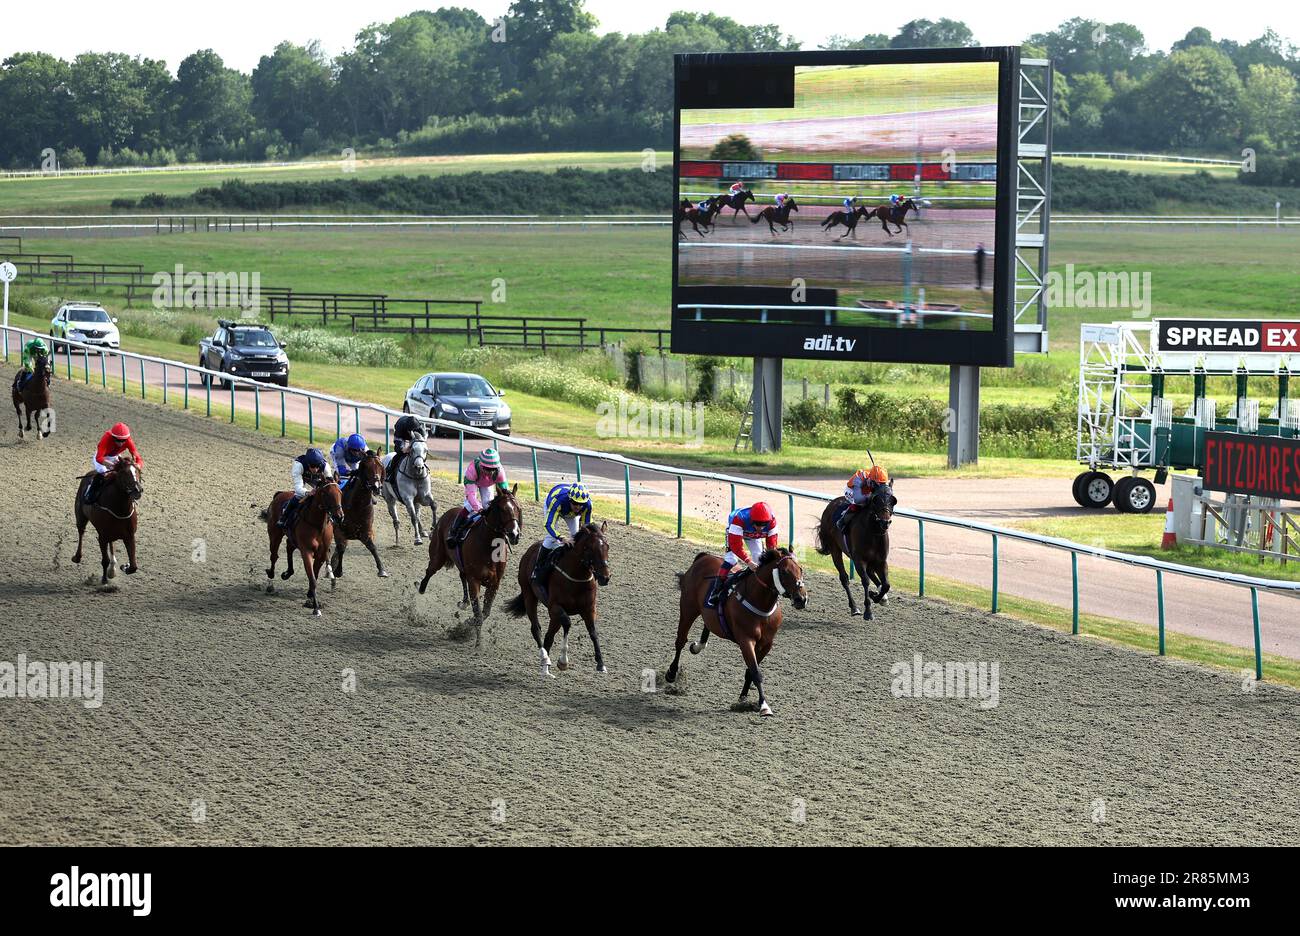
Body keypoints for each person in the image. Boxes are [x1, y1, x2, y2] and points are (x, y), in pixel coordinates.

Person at [705, 501, 779, 609]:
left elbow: (772, 548)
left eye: (764, 525)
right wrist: (748, 562)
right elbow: (736, 546)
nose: (760, 528)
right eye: (757, 524)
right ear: (752, 520)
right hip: (736, 532)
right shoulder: (739, 519)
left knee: (759, 560)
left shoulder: (772, 522)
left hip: (754, 537)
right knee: (731, 560)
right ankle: (716, 590)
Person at [532, 482, 593, 588]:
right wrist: (561, 538)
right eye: (574, 503)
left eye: (580, 504)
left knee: (577, 537)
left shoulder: (587, 505)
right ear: (570, 500)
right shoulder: (558, 501)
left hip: (570, 514)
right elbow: (548, 525)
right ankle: (537, 569)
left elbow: (587, 527)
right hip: (554, 506)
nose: (578, 507)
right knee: (551, 538)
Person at [446, 448, 509, 546]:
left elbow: (505, 493)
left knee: (488, 505)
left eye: (493, 469)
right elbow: (471, 495)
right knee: (470, 507)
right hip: (473, 481)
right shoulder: (472, 470)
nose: (490, 472)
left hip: (487, 484)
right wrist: (479, 509)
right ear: (481, 465)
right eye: (487, 469)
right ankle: (453, 531)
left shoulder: (500, 472)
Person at [85, 423, 143, 504]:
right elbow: (99, 458)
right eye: (118, 440)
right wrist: (112, 465)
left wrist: (138, 466)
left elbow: (139, 459)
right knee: (104, 473)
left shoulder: (128, 440)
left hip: (115, 456)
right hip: (102, 457)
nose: (121, 443)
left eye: (123, 440)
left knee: (125, 474)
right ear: (113, 437)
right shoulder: (106, 437)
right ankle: (90, 492)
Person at [280, 448, 330, 530]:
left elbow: (328, 484)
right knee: (298, 496)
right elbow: (298, 487)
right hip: (303, 477)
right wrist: (307, 493)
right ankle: (283, 518)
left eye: (318, 466)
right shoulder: (298, 465)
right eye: (313, 466)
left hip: (318, 481)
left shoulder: (325, 466)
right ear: (308, 464)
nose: (315, 469)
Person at [839, 465, 890, 533]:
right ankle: (842, 521)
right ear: (871, 479)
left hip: (867, 491)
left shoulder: (878, 479)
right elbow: (858, 499)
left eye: (882, 484)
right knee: (860, 504)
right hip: (852, 491)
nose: (880, 486)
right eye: (878, 484)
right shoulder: (859, 477)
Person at [387, 414, 423, 482]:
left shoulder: (419, 427)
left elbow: (422, 441)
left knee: (419, 453)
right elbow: (398, 442)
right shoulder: (400, 427)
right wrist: (403, 449)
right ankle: (390, 473)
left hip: (413, 436)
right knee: (399, 453)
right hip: (401, 436)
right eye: (410, 430)